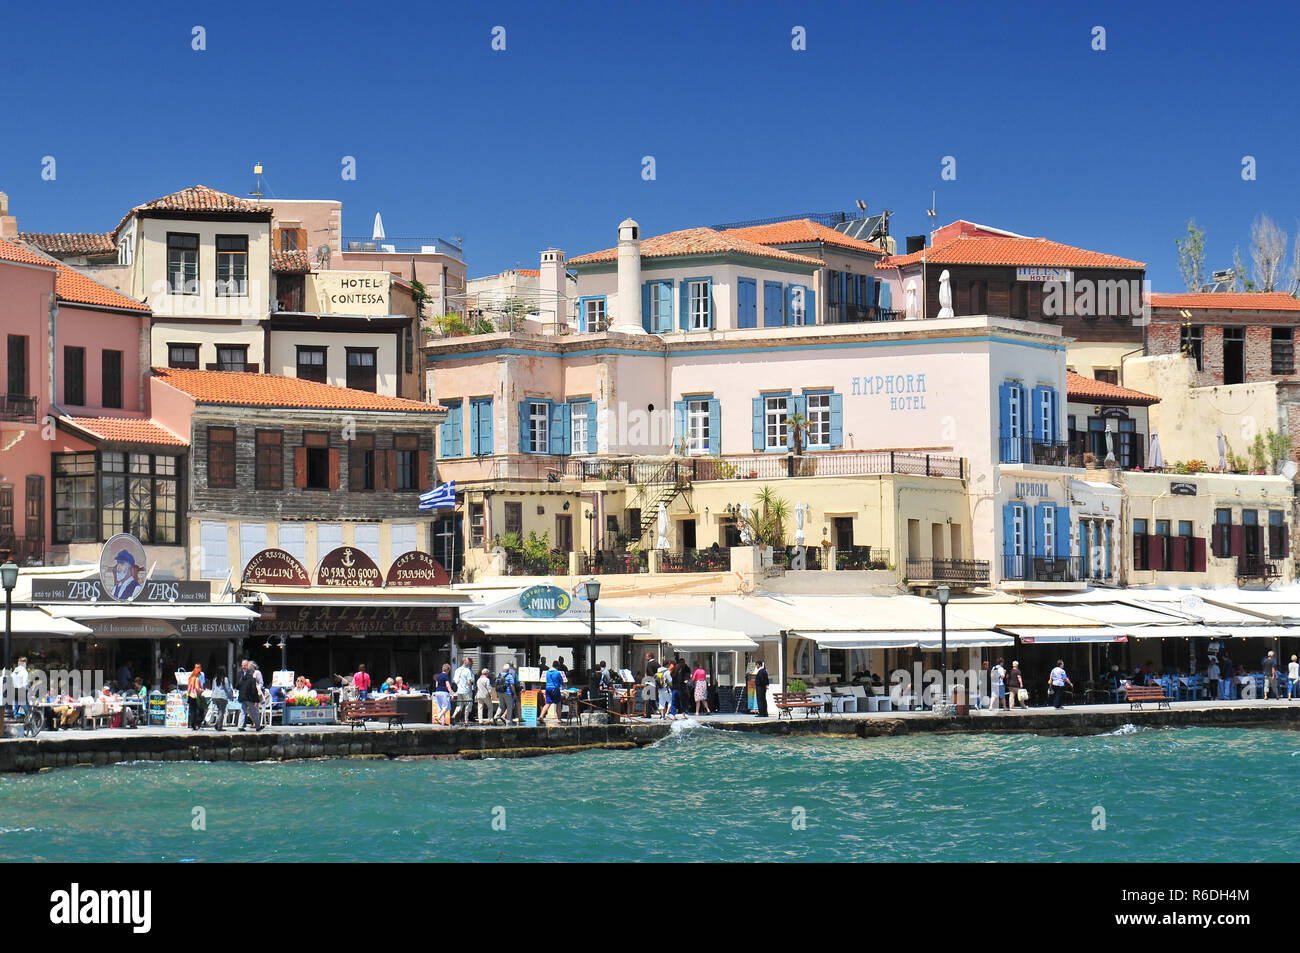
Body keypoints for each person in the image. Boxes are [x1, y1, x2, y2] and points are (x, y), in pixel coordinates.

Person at [236, 661, 261, 731]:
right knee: (255, 712)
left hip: (242, 697)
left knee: (243, 711)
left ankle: (240, 726)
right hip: (249, 698)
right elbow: (254, 690)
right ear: (252, 672)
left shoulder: (242, 679)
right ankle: (258, 726)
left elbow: (237, 686)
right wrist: (256, 700)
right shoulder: (252, 679)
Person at [452, 656, 474, 724]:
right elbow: (469, 682)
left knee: (460, 705)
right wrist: (470, 690)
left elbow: (454, 681)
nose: (469, 663)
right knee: (468, 704)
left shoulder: (457, 670)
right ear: (465, 662)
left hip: (459, 690)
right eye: (468, 661)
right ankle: (466, 720)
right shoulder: (468, 670)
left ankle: (453, 715)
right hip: (466, 690)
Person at [186, 665, 204, 731]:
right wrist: (202, 690)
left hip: (190, 696)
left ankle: (193, 725)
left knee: (192, 711)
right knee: (200, 711)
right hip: (195, 696)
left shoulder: (190, 678)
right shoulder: (196, 679)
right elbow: (197, 688)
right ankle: (197, 725)